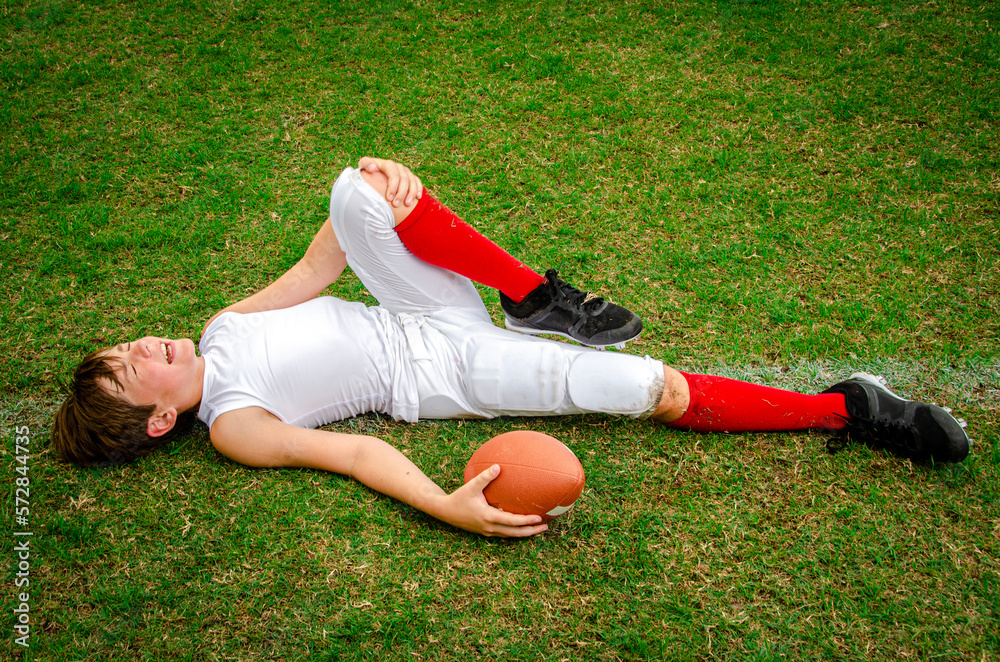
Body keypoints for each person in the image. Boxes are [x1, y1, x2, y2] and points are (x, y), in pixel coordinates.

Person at [51, 158, 971, 538]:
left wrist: (381, 204)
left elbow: (313, 268)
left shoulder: (221, 326)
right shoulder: (232, 426)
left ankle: (533, 294)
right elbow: (359, 451)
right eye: (137, 366)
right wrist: (440, 504)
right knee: (653, 390)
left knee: (355, 182)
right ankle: (852, 404)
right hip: (438, 370)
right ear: (162, 417)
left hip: (414, 304)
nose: (147, 343)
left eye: (131, 343)